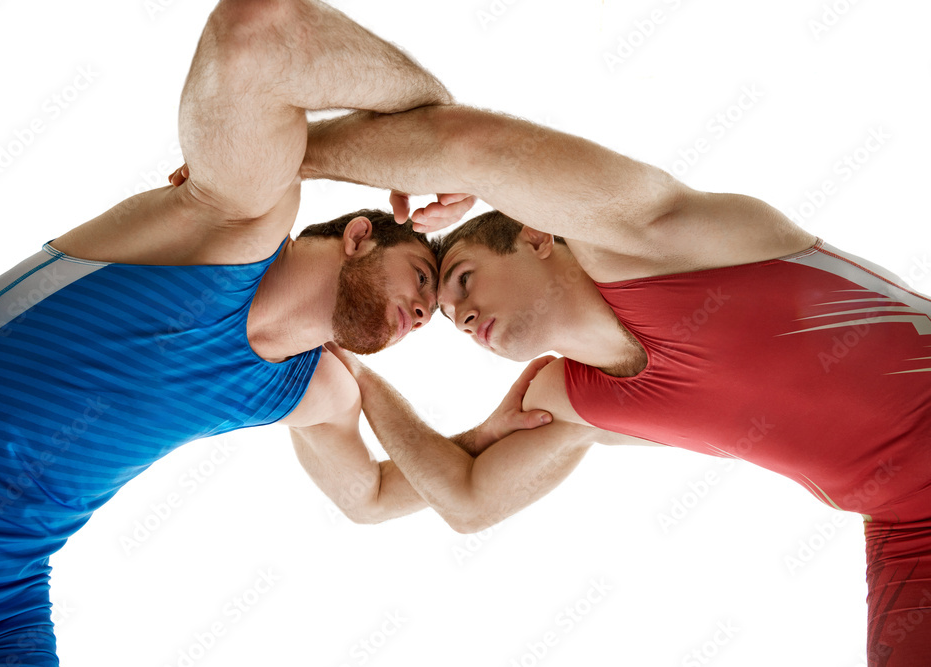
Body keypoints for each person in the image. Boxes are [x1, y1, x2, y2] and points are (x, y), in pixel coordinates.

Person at [0, 2, 551, 664]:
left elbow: (368, 495)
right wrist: (432, 123)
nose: (424, 313)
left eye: (431, 317)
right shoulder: (235, 227)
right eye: (423, 278)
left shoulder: (318, 389)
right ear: (360, 235)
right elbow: (255, 32)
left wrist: (478, 440)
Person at [300, 104, 931, 665]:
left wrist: (281, 157)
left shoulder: (658, 243)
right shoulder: (567, 398)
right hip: (909, 531)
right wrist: (358, 374)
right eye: (449, 318)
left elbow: (473, 146)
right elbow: (448, 501)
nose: (462, 315)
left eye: (463, 278)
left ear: (537, 234)